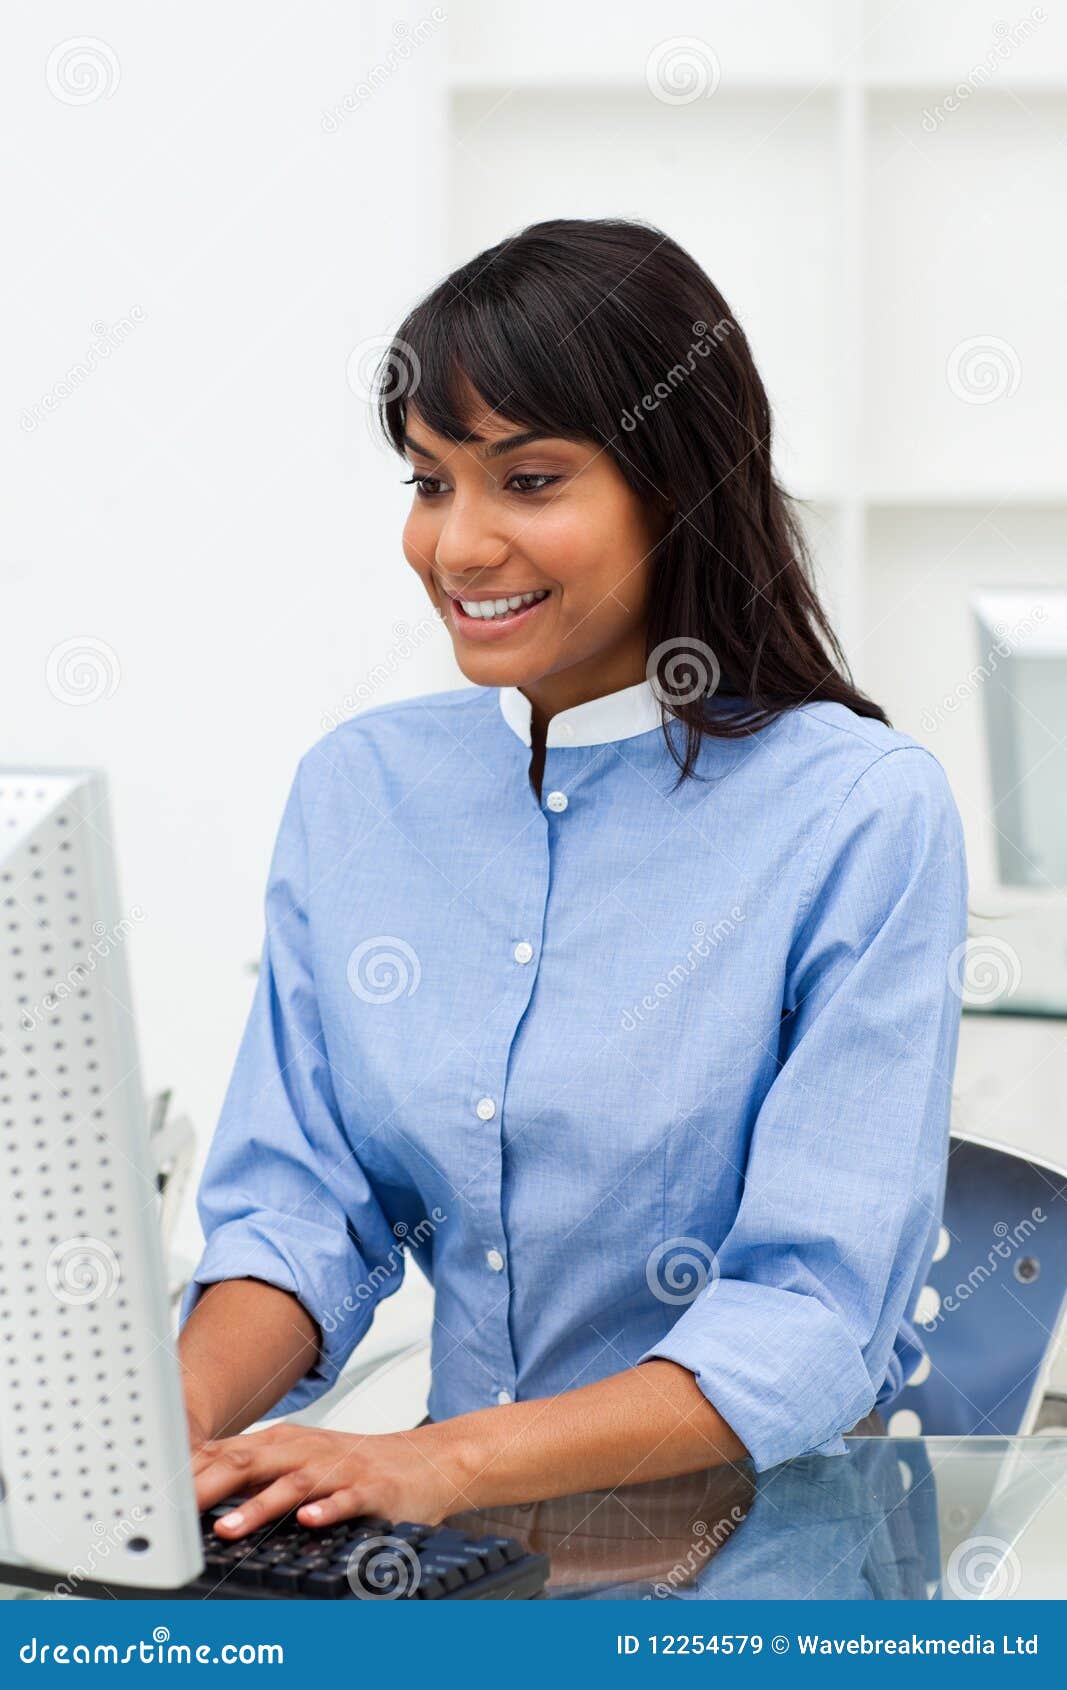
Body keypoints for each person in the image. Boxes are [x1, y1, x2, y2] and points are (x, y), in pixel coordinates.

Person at [178, 218, 967, 1540]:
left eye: (530, 481)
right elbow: (307, 1205)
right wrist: (159, 1430)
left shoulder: (858, 812)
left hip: (754, 1563)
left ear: (682, 486)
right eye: (431, 484)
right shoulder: (360, 792)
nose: (459, 546)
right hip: (446, 1557)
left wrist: (445, 1462)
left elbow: (810, 1313)